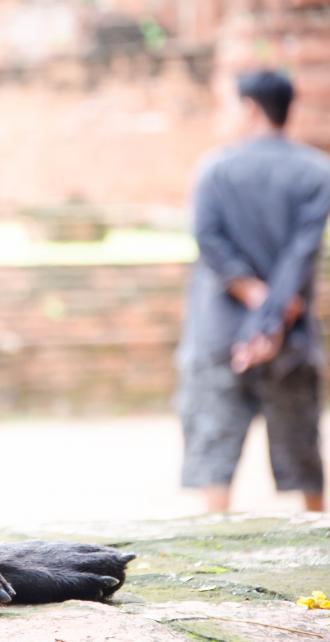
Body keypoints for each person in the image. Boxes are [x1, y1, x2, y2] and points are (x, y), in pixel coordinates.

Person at [176, 70, 330, 513]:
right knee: (304, 459)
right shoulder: (316, 172)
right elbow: (301, 256)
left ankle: (213, 560)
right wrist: (273, 318)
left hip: (219, 334)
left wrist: (255, 303)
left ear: (250, 108)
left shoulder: (215, 169)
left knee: (215, 464)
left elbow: (209, 241)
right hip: (292, 334)